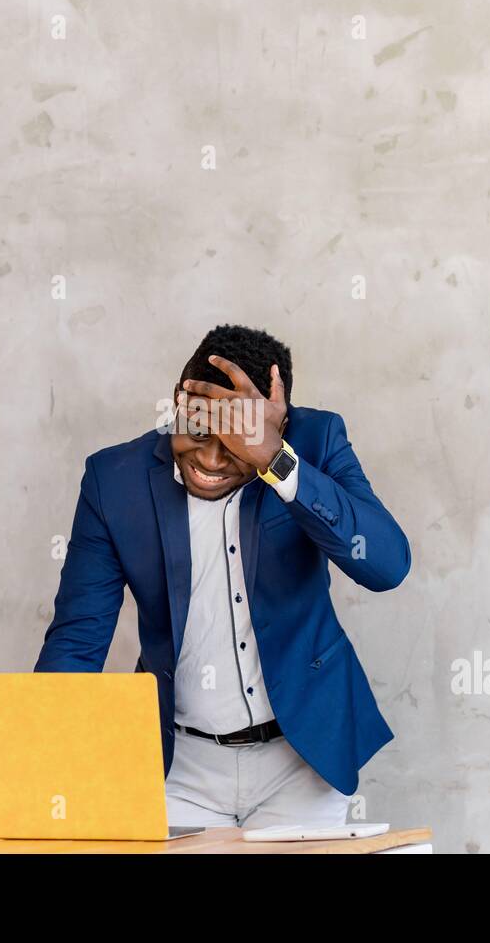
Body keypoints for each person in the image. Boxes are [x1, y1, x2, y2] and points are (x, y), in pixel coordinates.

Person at [34, 324, 411, 827]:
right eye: (198, 431)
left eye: (235, 445)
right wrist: (41, 770)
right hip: (177, 769)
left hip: (301, 762)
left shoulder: (313, 443)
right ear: (177, 400)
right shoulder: (114, 480)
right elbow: (78, 640)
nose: (209, 460)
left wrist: (277, 462)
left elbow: (386, 565)